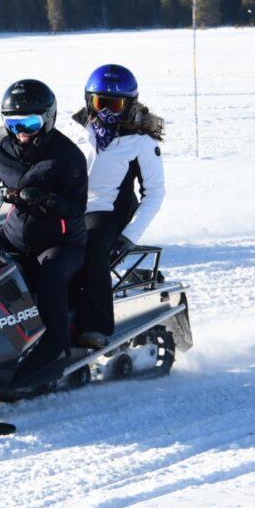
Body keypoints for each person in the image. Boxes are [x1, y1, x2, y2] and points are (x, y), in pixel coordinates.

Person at [0, 79, 87, 382]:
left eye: (30, 123)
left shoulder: (67, 156)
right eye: (13, 123)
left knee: (48, 270)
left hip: (60, 242)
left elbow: (77, 206)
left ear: (48, 119)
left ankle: (55, 344)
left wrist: (47, 200)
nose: (21, 131)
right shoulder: (4, 149)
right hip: (14, 234)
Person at [71, 64, 166, 349]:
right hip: (72, 205)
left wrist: (130, 235)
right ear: (90, 100)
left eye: (116, 104)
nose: (107, 111)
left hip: (112, 209)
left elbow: (155, 192)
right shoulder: (74, 128)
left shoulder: (141, 142)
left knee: (92, 245)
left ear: (129, 105)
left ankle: (96, 326)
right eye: (101, 103)